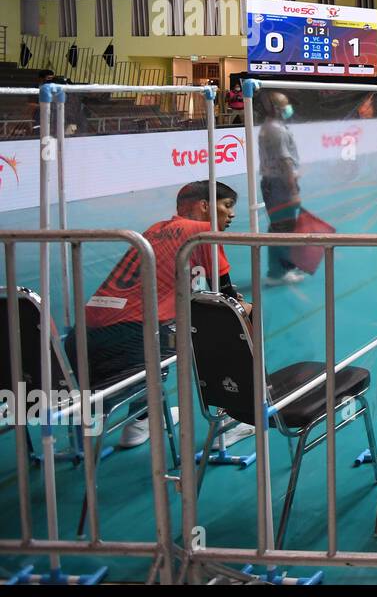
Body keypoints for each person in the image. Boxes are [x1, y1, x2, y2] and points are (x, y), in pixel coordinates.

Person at [70, 181, 252, 447]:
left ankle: (143, 419)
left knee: (168, 326)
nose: (232, 214)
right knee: (237, 321)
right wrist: (241, 308)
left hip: (81, 340)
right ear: (204, 206)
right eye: (227, 206)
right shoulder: (203, 232)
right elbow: (226, 296)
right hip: (132, 342)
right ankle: (233, 419)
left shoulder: (154, 230)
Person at [257, 90, 307, 285]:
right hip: (279, 186)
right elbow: (284, 161)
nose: (288, 108)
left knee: (281, 226)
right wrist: (293, 190)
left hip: (276, 183)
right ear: (277, 109)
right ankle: (278, 272)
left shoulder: (272, 127)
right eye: (285, 105)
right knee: (283, 227)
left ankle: (281, 269)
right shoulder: (275, 130)